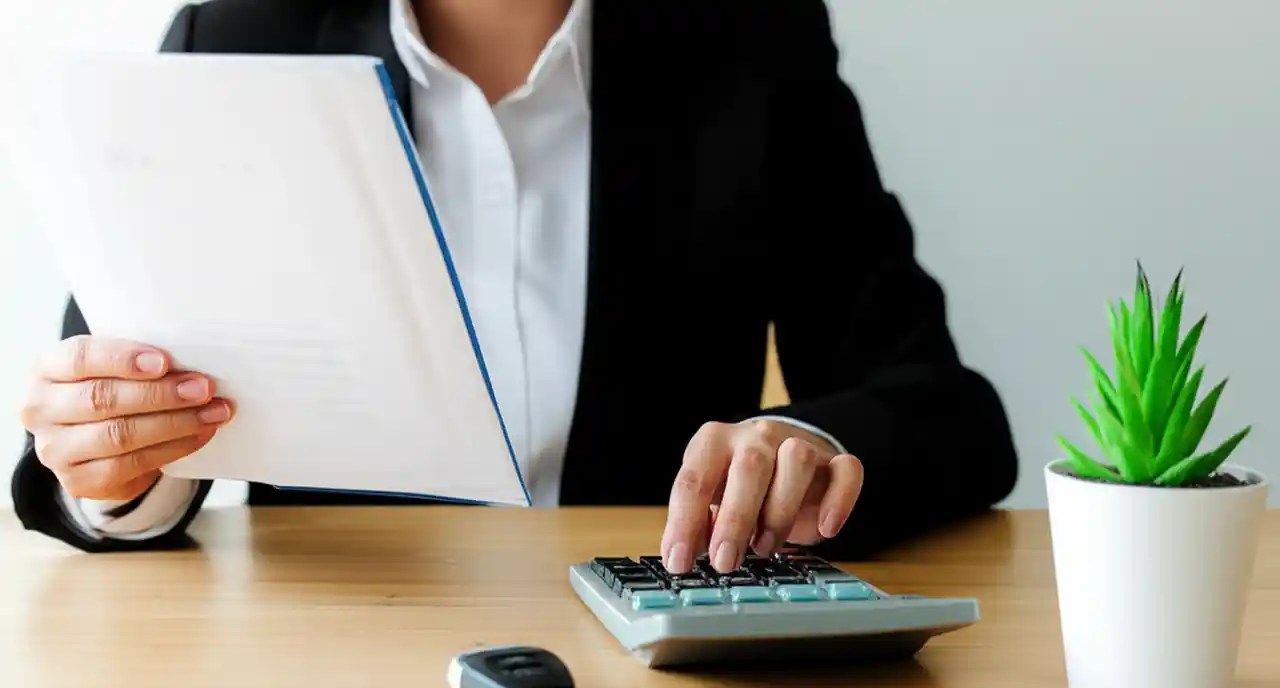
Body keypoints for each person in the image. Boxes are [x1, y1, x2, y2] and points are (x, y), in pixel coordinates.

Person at [11, 0, 1018, 571]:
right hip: (328, 656)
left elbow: (948, 412)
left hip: (651, 647)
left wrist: (813, 440)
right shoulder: (236, 39)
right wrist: (121, 474)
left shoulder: (750, 43)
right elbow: (101, 429)